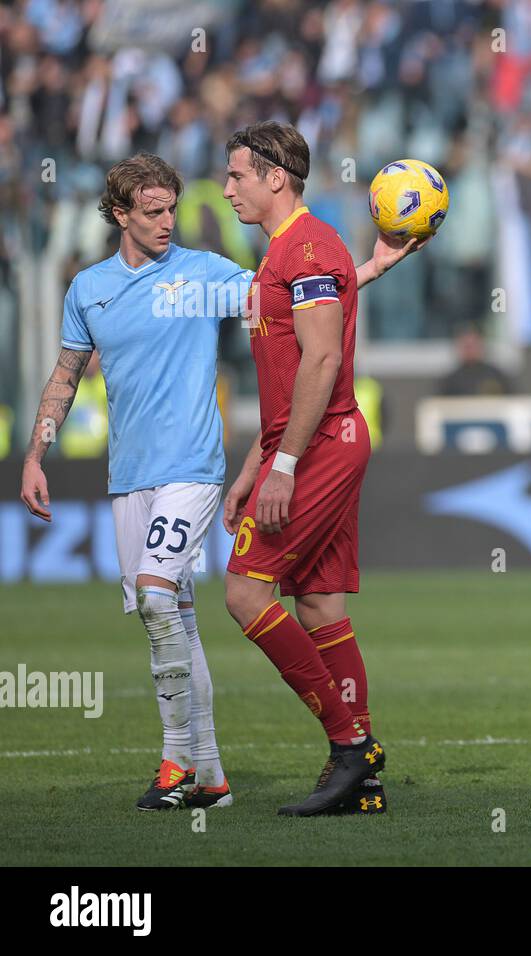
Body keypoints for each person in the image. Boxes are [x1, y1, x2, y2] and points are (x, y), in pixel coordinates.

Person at [19, 153, 244, 811]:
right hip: (130, 478)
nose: (168, 222)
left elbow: (289, 290)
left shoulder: (203, 275)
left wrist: (366, 269)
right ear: (120, 214)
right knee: (169, 620)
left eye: (171, 208)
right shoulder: (89, 288)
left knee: (154, 593)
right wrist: (36, 455)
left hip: (192, 469)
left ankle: (175, 762)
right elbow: (66, 376)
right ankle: (212, 777)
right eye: (153, 212)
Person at [220, 121, 427, 817]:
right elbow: (293, 367)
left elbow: (324, 361)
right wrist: (254, 466)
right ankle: (360, 782)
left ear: (276, 178)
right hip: (307, 441)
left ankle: (350, 746)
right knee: (318, 605)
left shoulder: (304, 246)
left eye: (238, 176)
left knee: (247, 595)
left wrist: (280, 467)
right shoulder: (302, 251)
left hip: (318, 449)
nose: (227, 189)